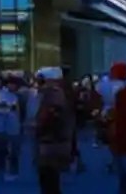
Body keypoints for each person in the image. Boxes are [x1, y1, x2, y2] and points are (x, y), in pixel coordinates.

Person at [34, 66, 73, 194]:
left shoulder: (52, 94)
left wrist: (38, 127)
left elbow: (49, 117)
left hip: (52, 140)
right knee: (50, 177)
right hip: (56, 139)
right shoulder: (61, 93)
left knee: (48, 177)